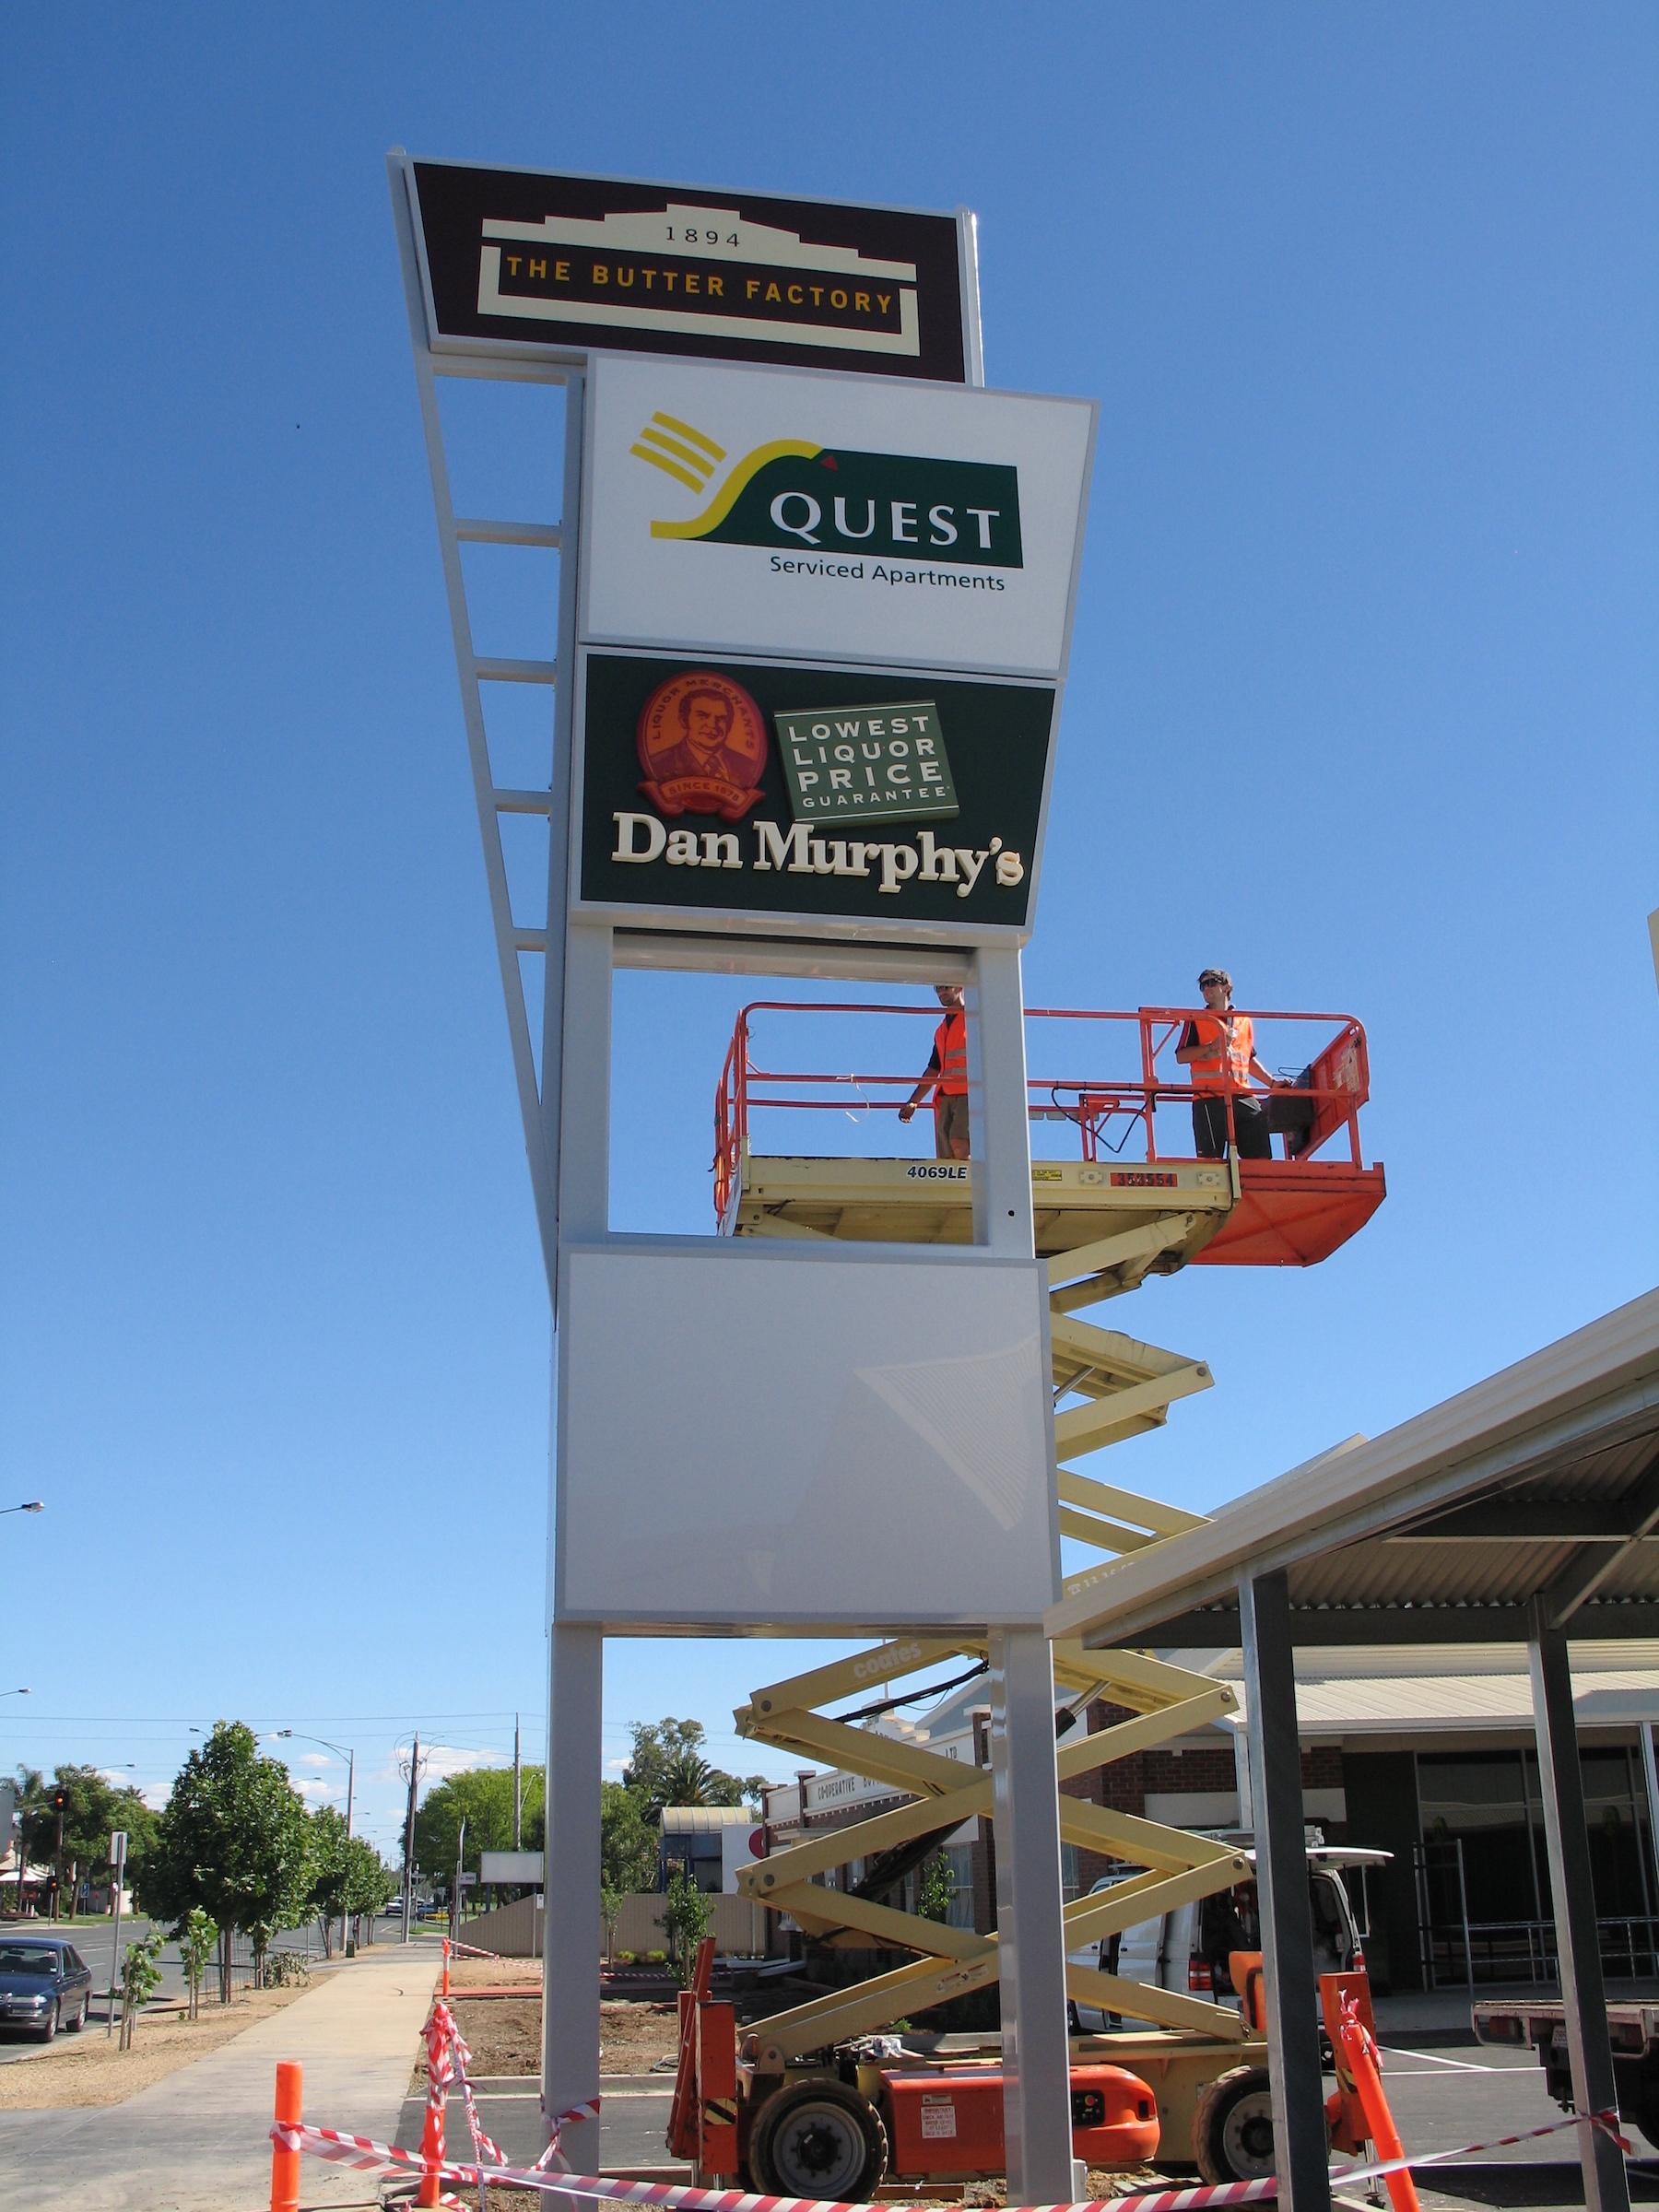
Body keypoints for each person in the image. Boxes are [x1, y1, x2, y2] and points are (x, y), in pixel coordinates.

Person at [1174, 969, 1275, 1160]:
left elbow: (1248, 1058)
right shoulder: (1197, 1020)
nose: (1206, 988)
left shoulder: (1244, 1021)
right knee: (1211, 1166)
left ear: (1226, 987)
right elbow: (1181, 1056)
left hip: (1242, 1096)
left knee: (1261, 1162)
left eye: (1212, 983)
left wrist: (1272, 1084)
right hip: (1208, 1098)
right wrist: (1212, 1046)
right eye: (1203, 985)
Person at [898, 984, 969, 1159]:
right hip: (946, 1097)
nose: (941, 992)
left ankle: (973, 1185)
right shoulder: (941, 1030)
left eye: (945, 987)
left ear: (959, 987)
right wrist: (913, 1102)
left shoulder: (975, 1018)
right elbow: (933, 1069)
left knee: (960, 1144)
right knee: (947, 1157)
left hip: (969, 1093)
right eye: (937, 989)